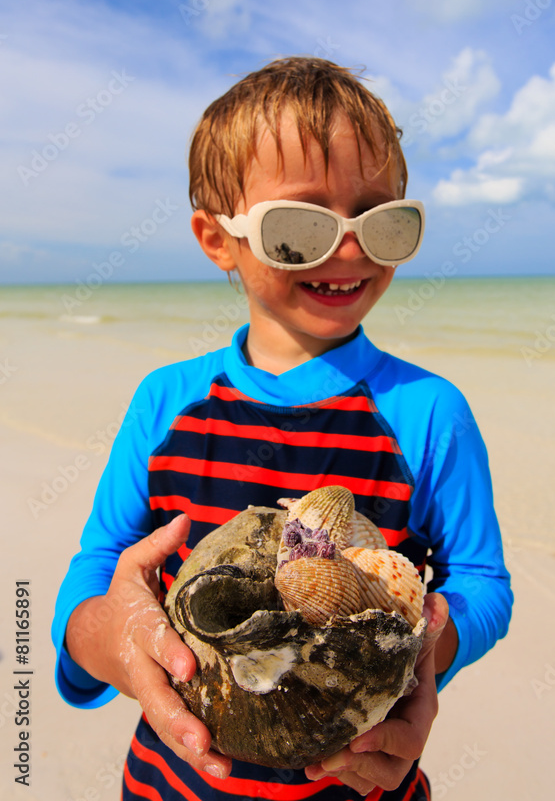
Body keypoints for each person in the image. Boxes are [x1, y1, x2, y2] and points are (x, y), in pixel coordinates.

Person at [53, 56, 513, 801]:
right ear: (216, 239)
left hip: (360, 779)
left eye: (380, 219)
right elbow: (104, 558)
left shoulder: (427, 411)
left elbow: (482, 581)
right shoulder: (165, 402)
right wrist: (102, 639)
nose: (351, 248)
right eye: (300, 226)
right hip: (175, 782)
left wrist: (425, 649)